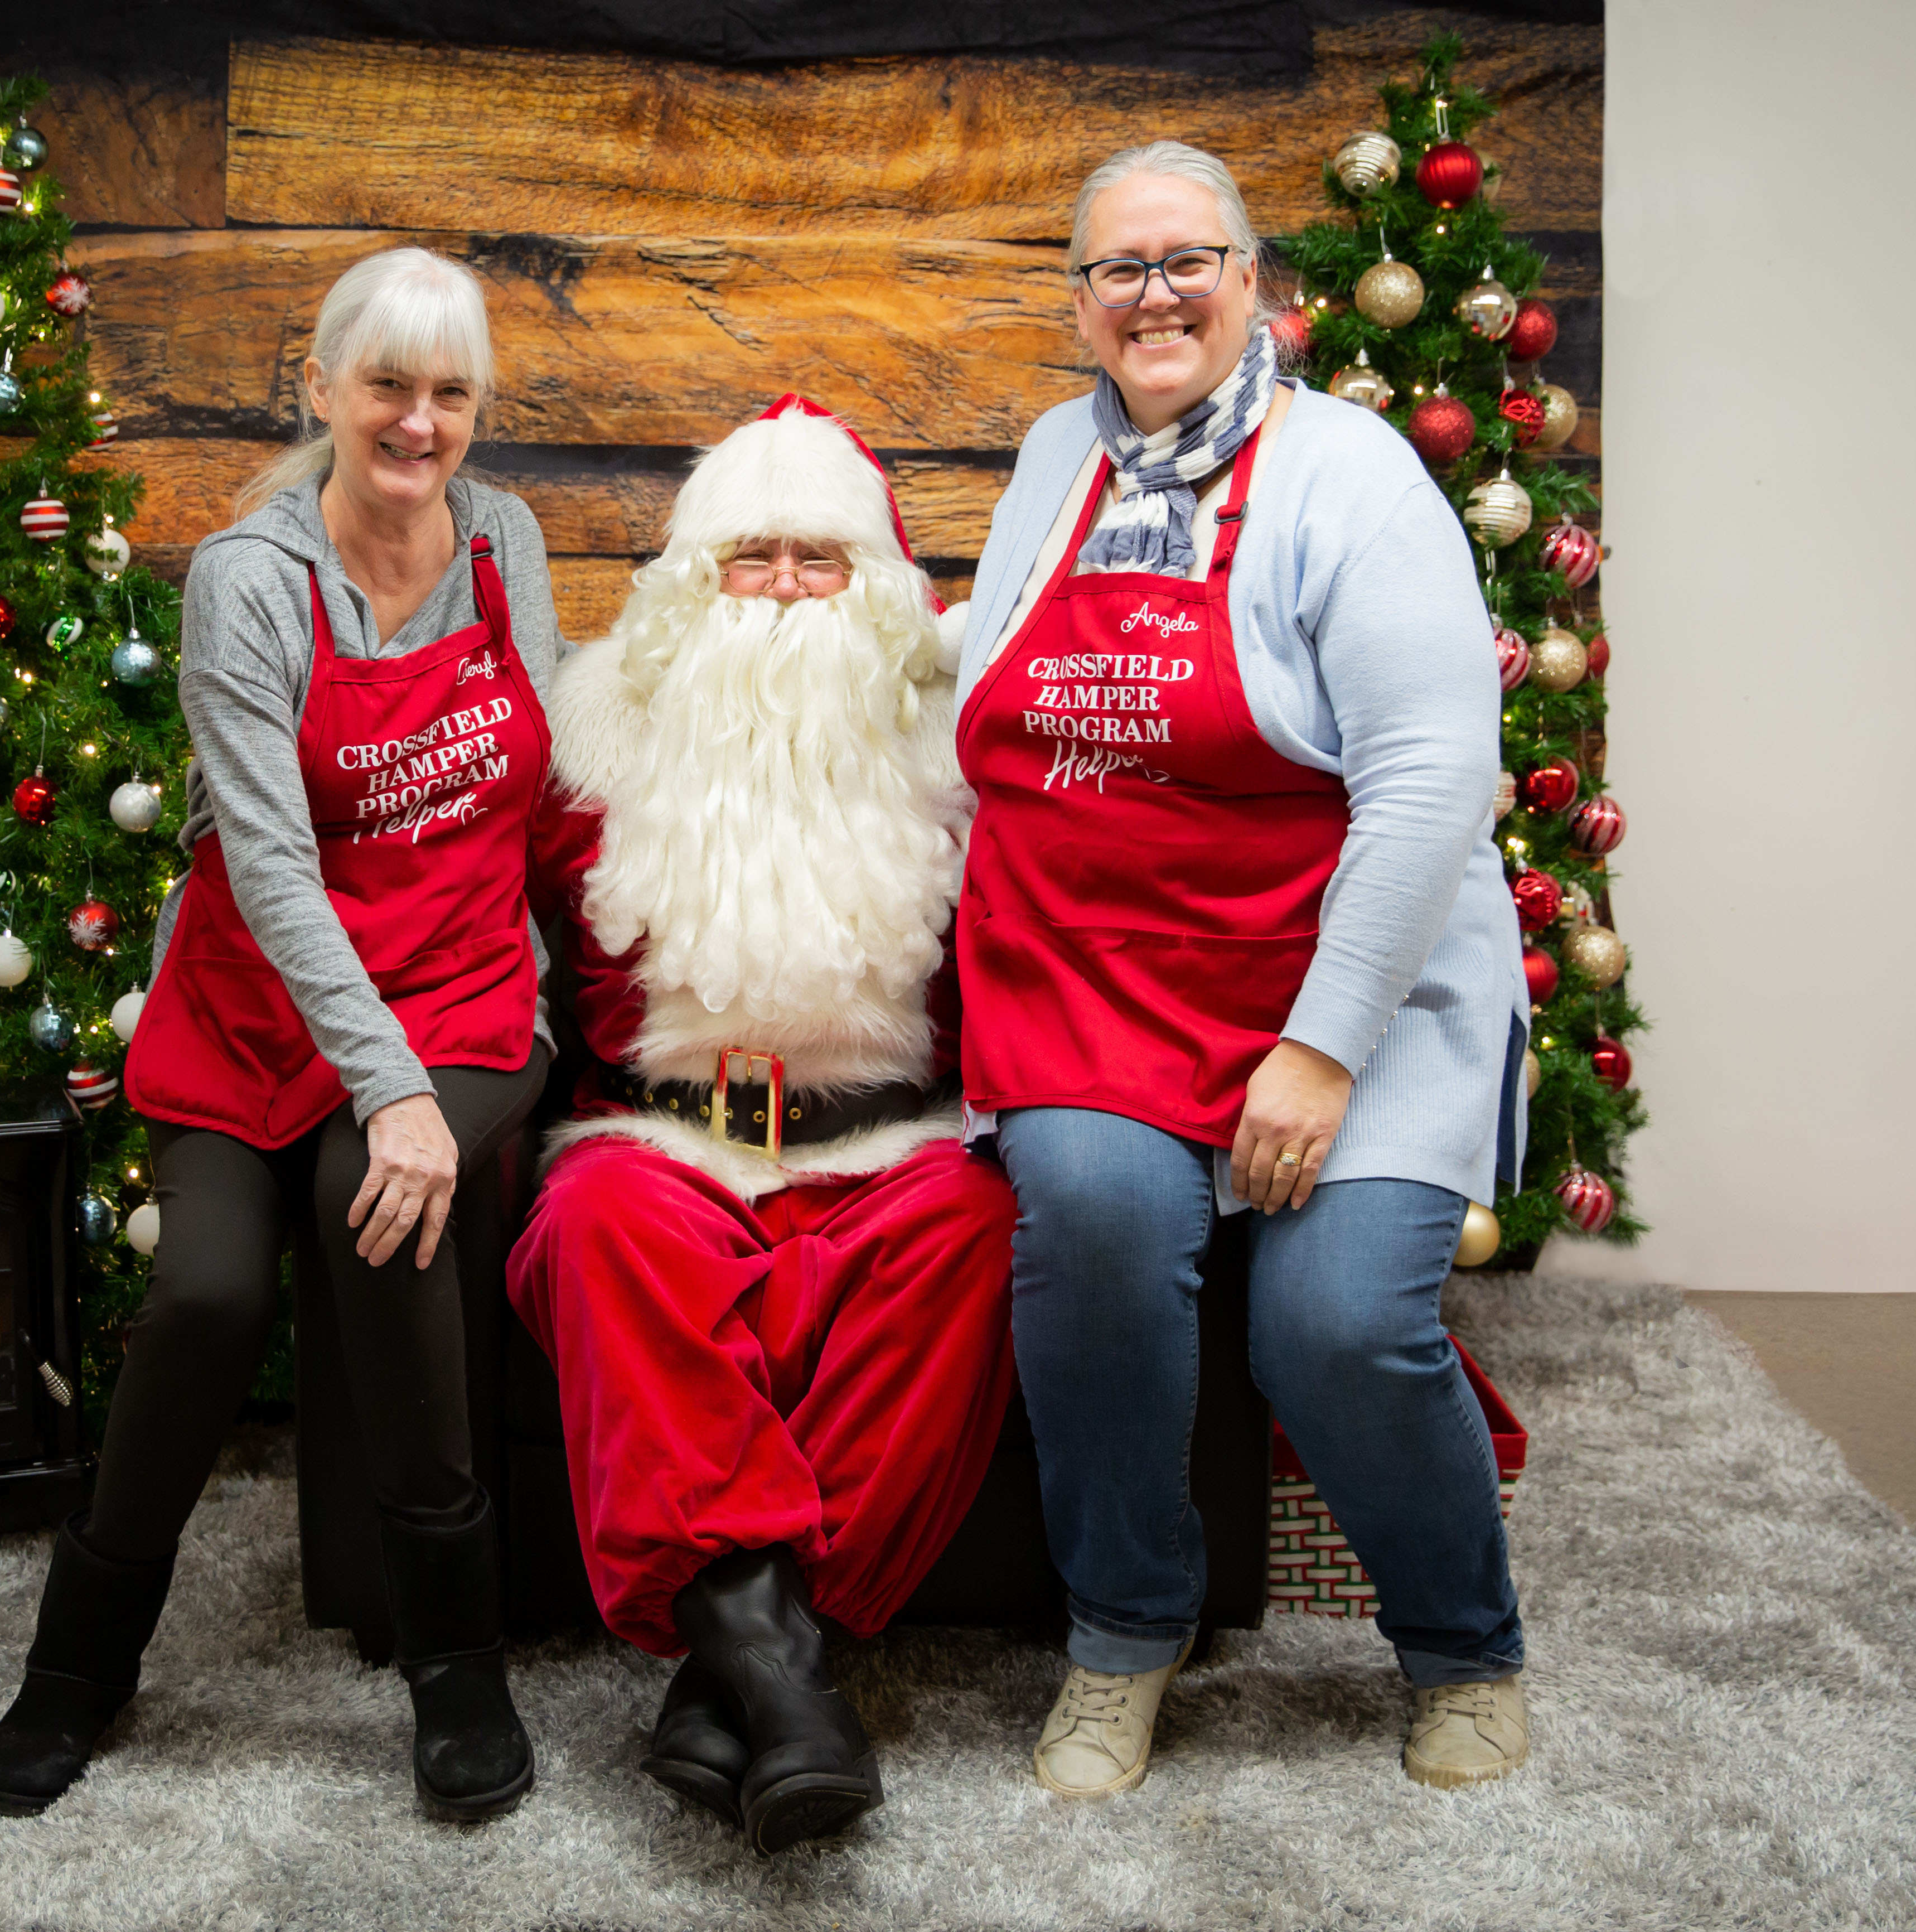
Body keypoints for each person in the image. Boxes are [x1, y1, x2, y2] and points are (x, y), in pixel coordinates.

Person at [949, 142, 1532, 1798]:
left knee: (1338, 1324)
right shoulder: (1058, 455)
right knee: (1105, 1236)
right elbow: (986, 700)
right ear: (1078, 306)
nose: (1153, 295)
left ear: (1253, 282)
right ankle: (1125, 1633)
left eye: (1184, 260)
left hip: (1352, 979)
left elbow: (1427, 792)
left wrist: (1322, 1048)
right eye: (1117, 270)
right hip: (1095, 981)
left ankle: (1459, 1644)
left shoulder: (1351, 477)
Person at [0, 247, 565, 1823]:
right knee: (212, 1292)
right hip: (258, 1000)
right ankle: (77, 1668)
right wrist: (392, 1092)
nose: (418, 423)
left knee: (378, 1217)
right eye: (387, 385)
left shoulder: (505, 540)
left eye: (449, 393)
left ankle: (454, 1662)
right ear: (320, 389)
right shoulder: (249, 576)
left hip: (466, 992)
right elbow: (275, 868)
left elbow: (550, 774)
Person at [508, 398, 1018, 1854]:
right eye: (753, 559)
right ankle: (787, 1673)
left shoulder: (952, 743)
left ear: (878, 585)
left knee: (977, 1235)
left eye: (820, 559)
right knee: (593, 1231)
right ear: (692, 581)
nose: (788, 588)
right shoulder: (593, 741)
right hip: (662, 1139)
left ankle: (740, 1655)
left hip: (892, 1141)